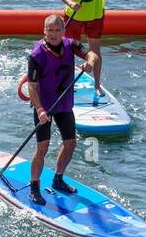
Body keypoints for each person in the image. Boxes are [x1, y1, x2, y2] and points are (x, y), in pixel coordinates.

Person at [24, 14, 98, 207]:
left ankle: (58, 178)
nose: (54, 34)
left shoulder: (70, 44)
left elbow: (92, 54)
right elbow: (31, 86)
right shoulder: (36, 55)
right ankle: (34, 186)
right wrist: (40, 110)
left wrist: (89, 62)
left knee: (70, 143)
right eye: (50, 30)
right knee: (43, 147)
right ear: (44, 31)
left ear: (63, 31)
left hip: (64, 103)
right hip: (44, 106)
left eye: (58, 30)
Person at [57, 0, 107, 100]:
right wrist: (71, 3)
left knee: (95, 50)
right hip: (73, 14)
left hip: (95, 15)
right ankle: (67, 83)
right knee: (69, 50)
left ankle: (97, 85)